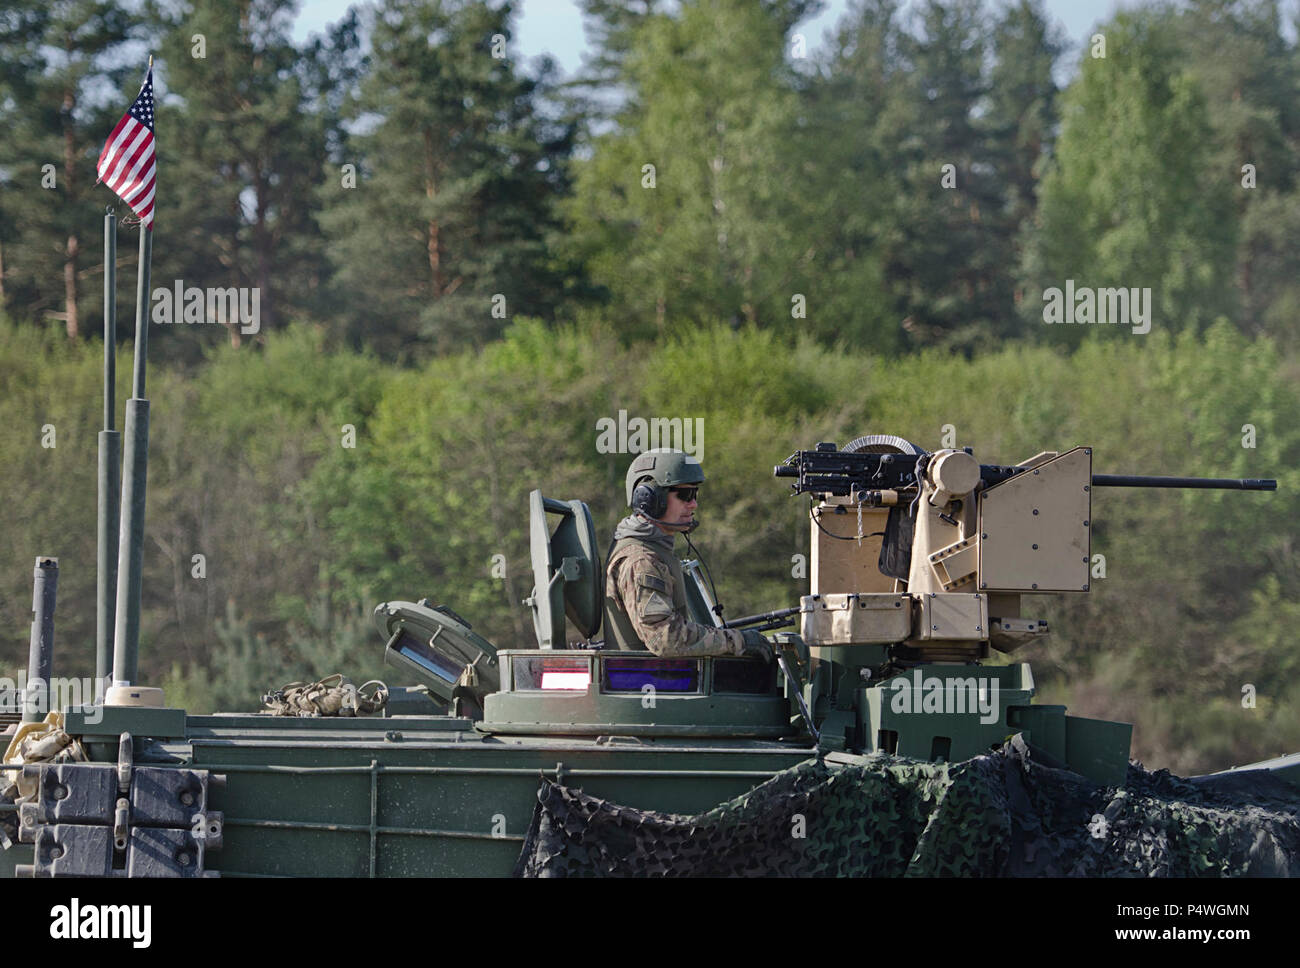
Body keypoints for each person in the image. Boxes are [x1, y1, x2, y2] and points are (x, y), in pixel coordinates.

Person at [603, 448, 772, 661]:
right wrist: (736, 641)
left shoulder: (654, 551)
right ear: (650, 499)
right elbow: (665, 639)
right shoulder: (641, 560)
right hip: (647, 685)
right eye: (685, 495)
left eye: (695, 494)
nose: (694, 504)